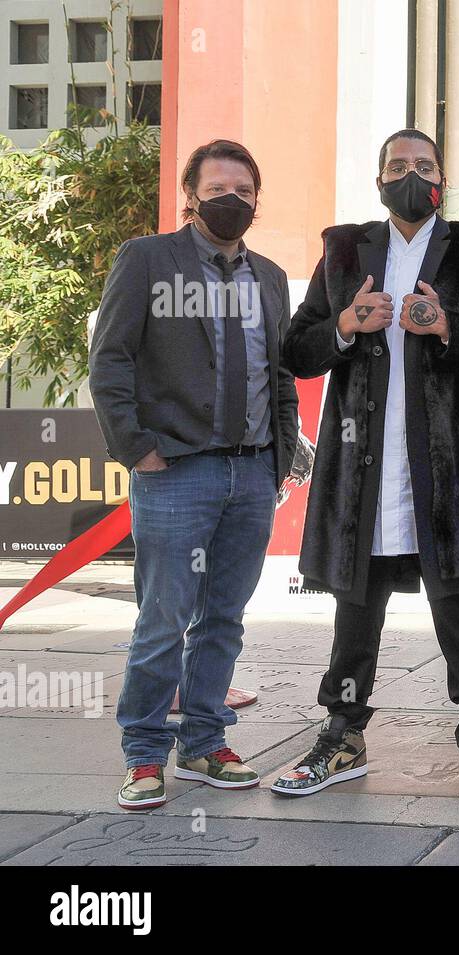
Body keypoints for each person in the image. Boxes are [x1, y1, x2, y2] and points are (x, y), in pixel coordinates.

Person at [273, 128, 459, 806]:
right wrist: (346, 325)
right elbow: (297, 350)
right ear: (379, 179)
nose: (410, 175)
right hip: (364, 473)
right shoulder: (343, 249)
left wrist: (448, 325)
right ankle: (342, 733)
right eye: (398, 165)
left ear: (443, 180)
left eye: (423, 166)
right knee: (354, 611)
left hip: (451, 476)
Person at [90, 139, 299, 809]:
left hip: (252, 474)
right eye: (217, 187)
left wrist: (280, 452)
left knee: (224, 620)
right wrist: (138, 449)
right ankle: (145, 753)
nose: (230, 198)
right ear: (191, 194)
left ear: (257, 199)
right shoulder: (149, 259)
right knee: (162, 619)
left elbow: (282, 370)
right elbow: (111, 360)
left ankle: (207, 742)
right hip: (176, 471)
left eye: (243, 187)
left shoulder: (268, 276)